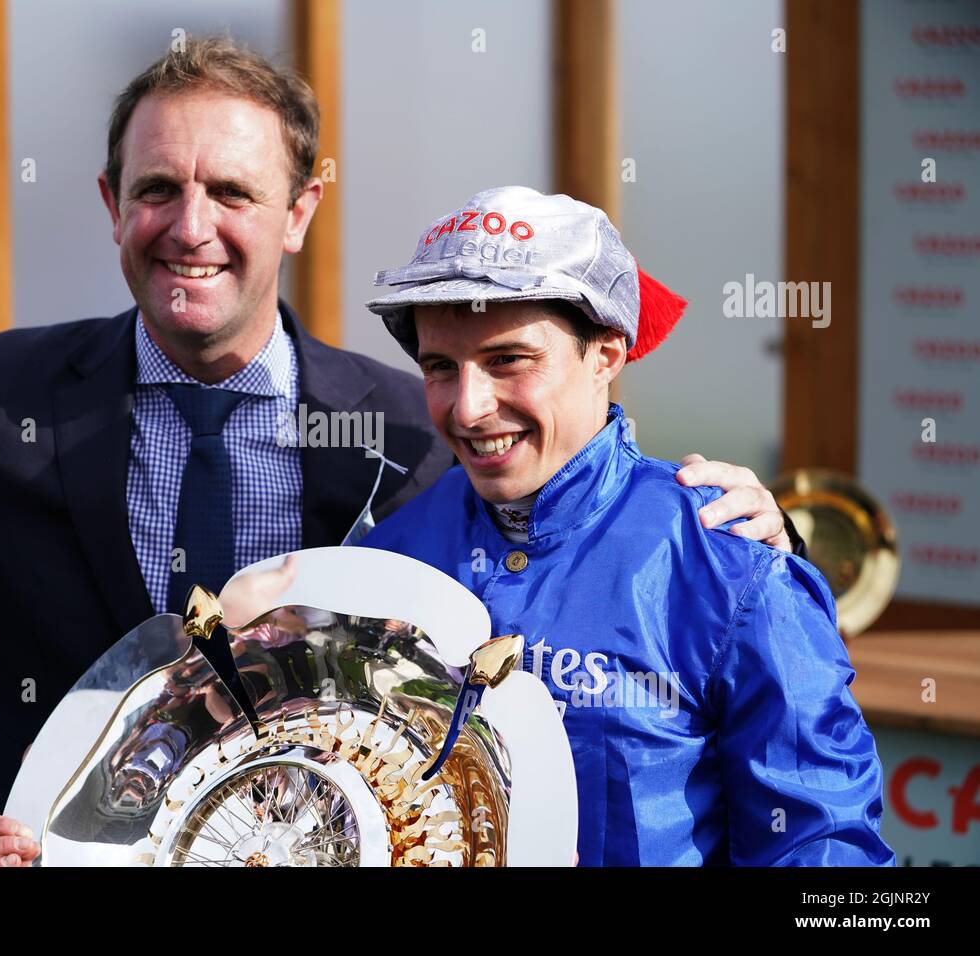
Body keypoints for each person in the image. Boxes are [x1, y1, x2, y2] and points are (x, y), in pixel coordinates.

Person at [0, 39, 794, 867]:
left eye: (232, 191)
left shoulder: (415, 428)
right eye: (158, 188)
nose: (191, 225)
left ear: (301, 210)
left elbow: (578, 534)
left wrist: (737, 529)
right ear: (110, 202)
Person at [357, 186, 894, 866]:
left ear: (606, 355)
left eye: (508, 360)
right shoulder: (384, 564)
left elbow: (822, 841)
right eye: (441, 367)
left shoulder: (732, 563)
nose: (469, 408)